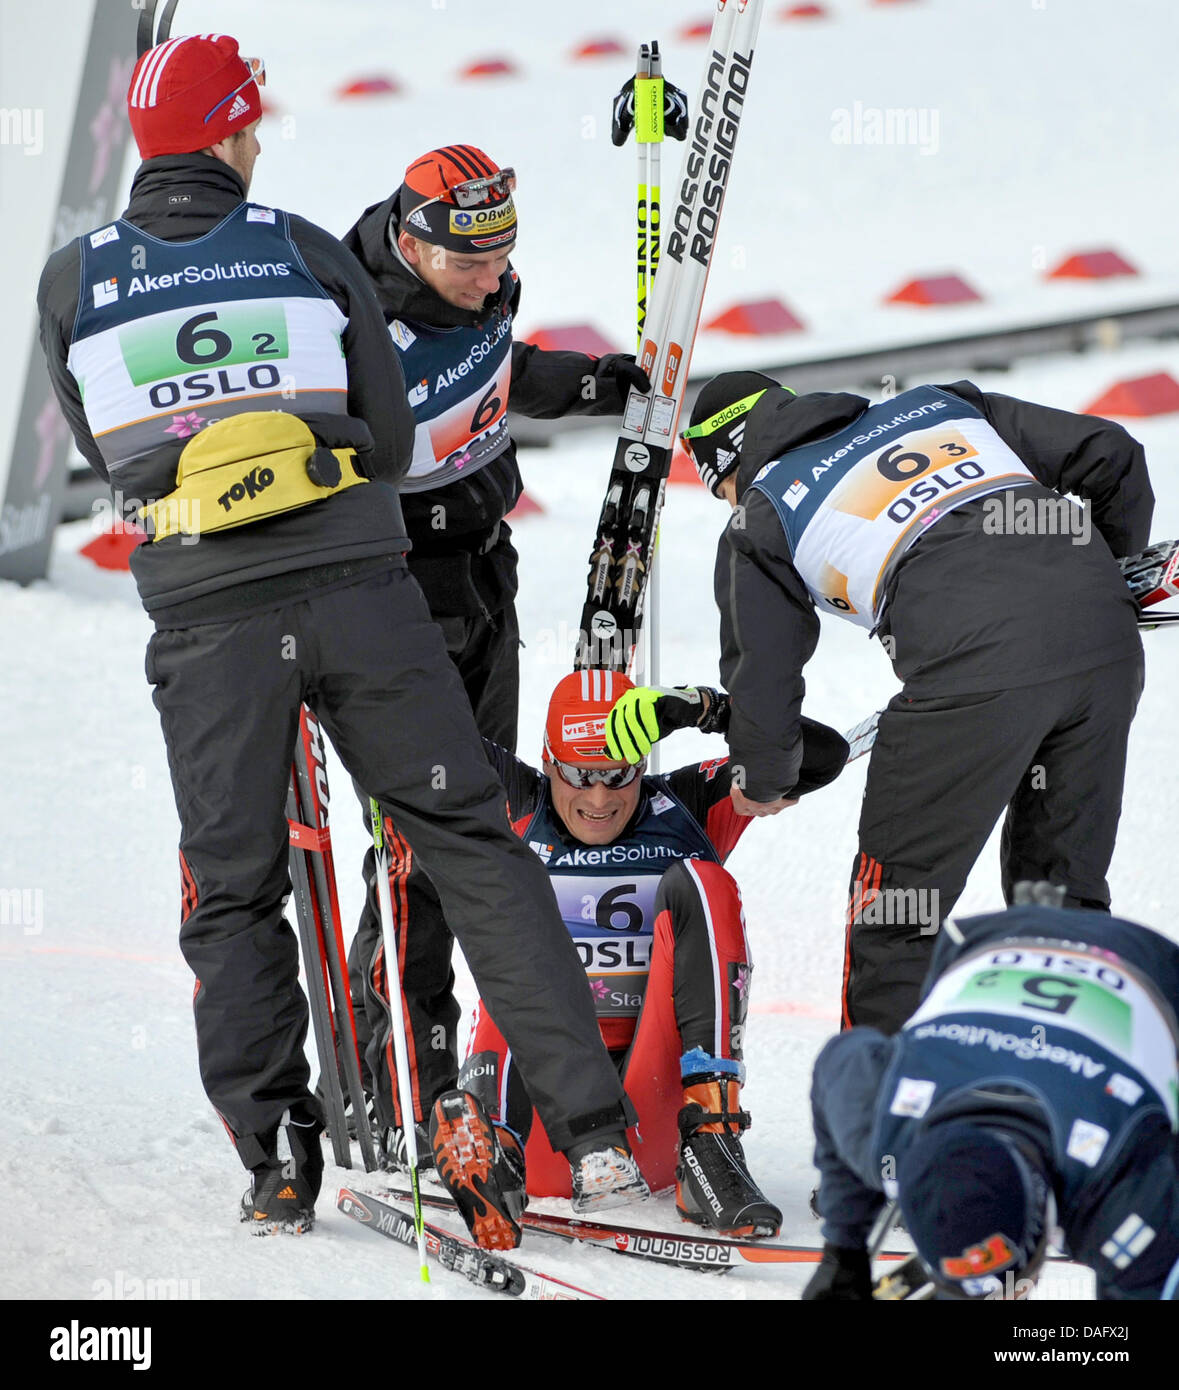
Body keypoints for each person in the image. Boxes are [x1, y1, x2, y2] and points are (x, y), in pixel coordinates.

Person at [36, 33, 641, 1239]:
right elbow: (390, 423)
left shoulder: (71, 282)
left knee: (234, 883)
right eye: (251, 125)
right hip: (364, 591)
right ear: (224, 133)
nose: (258, 143)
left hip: (209, 619)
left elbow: (103, 452)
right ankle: (597, 1131)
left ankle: (280, 1160)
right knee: (471, 840)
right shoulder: (304, 248)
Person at [678, 370, 1153, 1034]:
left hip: (970, 677)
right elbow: (1110, 453)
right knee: (1060, 893)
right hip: (1101, 644)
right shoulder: (940, 405)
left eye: (720, 488)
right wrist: (1106, 575)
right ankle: (1067, 1077)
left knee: (896, 913)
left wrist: (764, 776)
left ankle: (880, 1109)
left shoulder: (763, 515)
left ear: (725, 462)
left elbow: (763, 670)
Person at [341, 146, 651, 1162]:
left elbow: (500, 370)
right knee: (424, 851)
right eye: (470, 263)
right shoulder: (356, 331)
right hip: (399, 596)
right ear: (410, 239)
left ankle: (470, 1072)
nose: (493, 279)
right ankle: (401, 1087)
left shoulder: (484, 279)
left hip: (483, 569)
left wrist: (596, 383)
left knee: (489, 831)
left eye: (503, 256)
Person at [449, 671, 849, 1236]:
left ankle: (713, 1148)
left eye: (618, 776)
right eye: (579, 775)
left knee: (704, 882)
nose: (598, 798)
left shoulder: (684, 804)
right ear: (546, 764)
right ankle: (493, 1155)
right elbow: (413, 737)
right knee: (513, 909)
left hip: (649, 1125)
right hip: (539, 1120)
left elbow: (822, 757)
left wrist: (708, 710)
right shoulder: (512, 798)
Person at [801, 897, 1179, 1300]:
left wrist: (844, 1245)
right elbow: (838, 1062)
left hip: (1149, 967)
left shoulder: (1120, 1191)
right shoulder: (886, 1124)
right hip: (990, 943)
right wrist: (843, 1253)